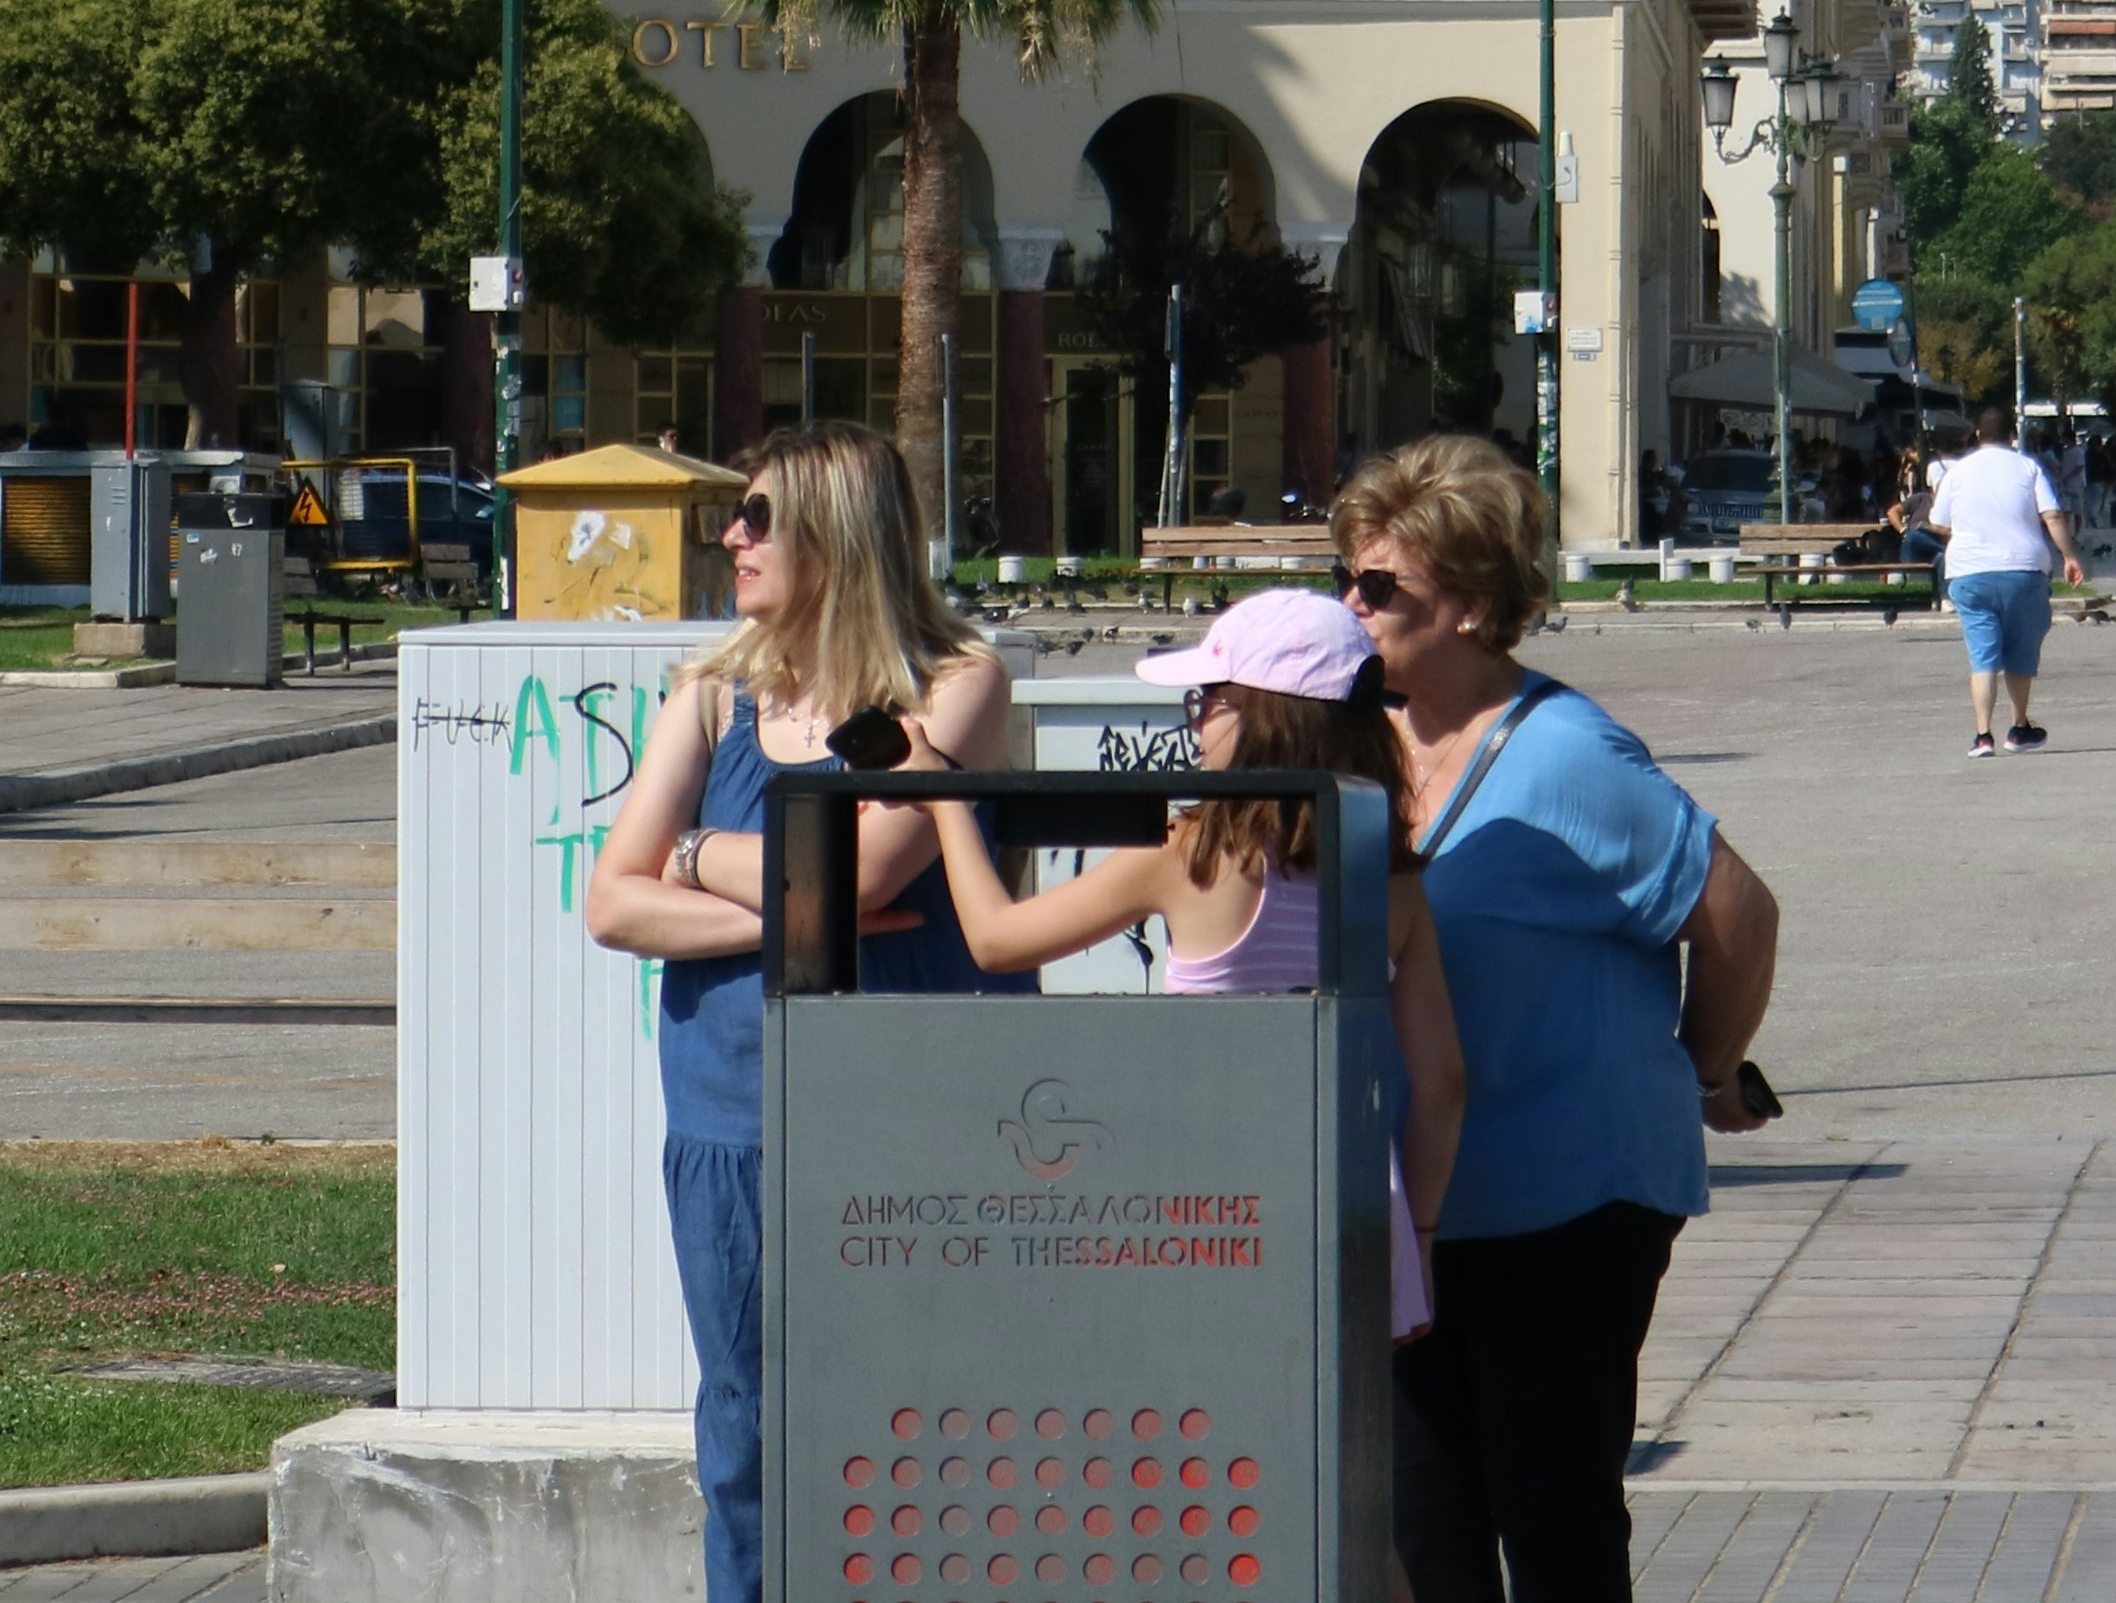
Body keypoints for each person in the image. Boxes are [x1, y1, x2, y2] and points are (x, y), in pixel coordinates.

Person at [582, 423, 1025, 1603]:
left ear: (839, 531)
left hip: (917, 1123)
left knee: (924, 1424)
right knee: (751, 1435)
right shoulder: (711, 694)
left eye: (763, 516)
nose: (734, 536)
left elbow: (866, 874)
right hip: (737, 1126)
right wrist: (783, 907)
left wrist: (691, 857)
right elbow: (612, 903)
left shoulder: (956, 685)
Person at [1334, 435, 1777, 1603]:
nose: (1351, 605)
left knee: (1553, 1517)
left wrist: (1704, 1067)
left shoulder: (1573, 756)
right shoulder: (1360, 743)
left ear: (1475, 606)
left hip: (1568, 1198)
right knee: (1424, 1528)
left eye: (1379, 587)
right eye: (1345, 575)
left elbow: (1737, 914)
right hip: (1417, 1206)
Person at [924, 587, 1464, 1333]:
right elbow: (1443, 1085)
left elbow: (996, 939)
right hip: (1360, 1204)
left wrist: (944, 797)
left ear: (1265, 717)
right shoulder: (1394, 881)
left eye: (1208, 700)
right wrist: (1423, 1238)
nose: (1197, 721)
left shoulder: (1193, 856)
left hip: (1216, 1202)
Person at [1922, 416, 2075, 758]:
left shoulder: (1957, 473)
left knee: (1983, 658)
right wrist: (2070, 556)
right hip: (2023, 569)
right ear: (2011, 435)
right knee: (2021, 653)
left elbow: (1937, 522)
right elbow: (2052, 515)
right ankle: (2019, 727)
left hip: (1969, 573)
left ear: (1977, 437)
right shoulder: (2027, 468)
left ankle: (1982, 735)